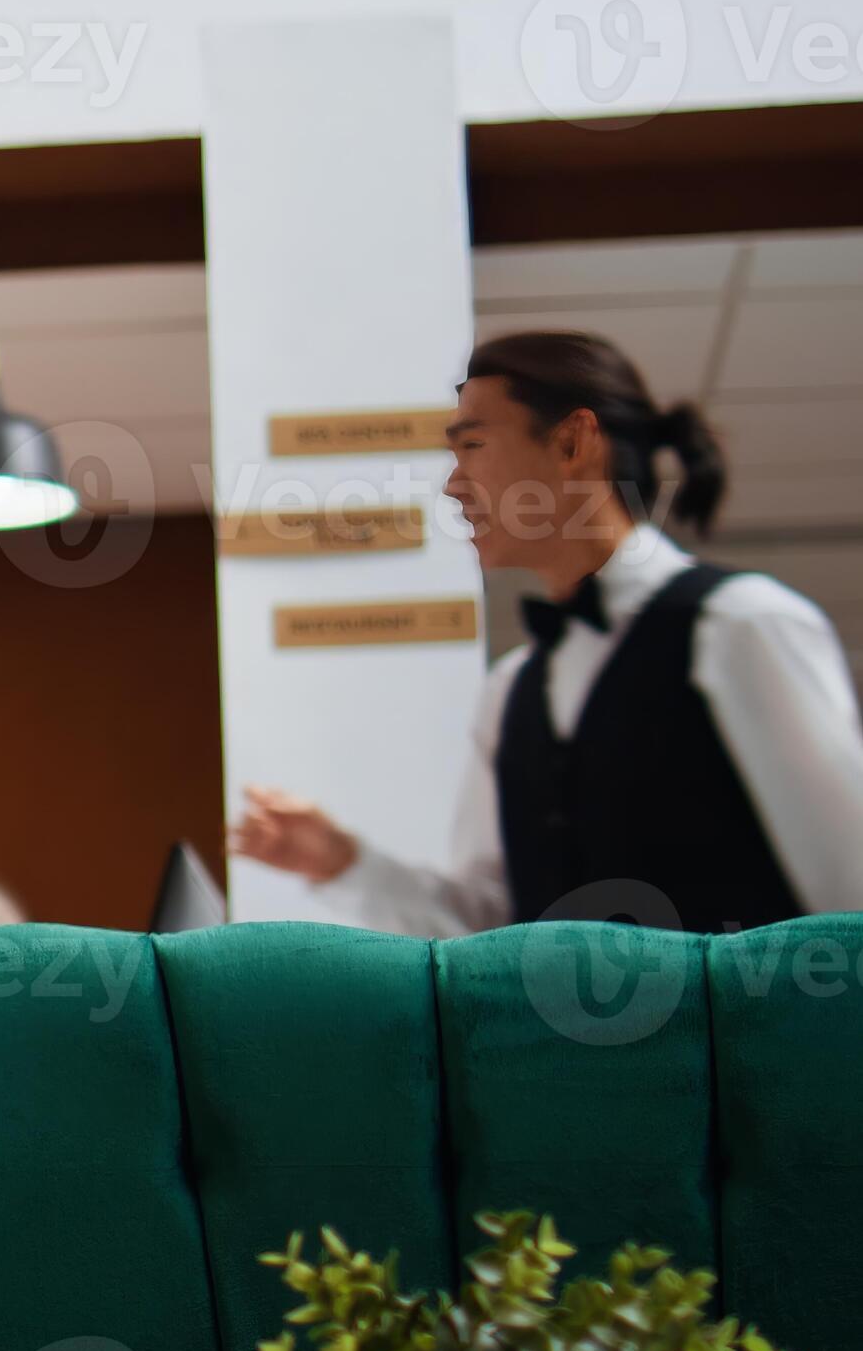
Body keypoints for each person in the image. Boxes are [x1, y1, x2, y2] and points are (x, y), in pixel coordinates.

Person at [233, 329, 863, 936]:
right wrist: (343, 864)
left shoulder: (742, 625)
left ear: (572, 443)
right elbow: (492, 935)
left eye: (472, 445)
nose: (452, 486)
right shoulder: (510, 690)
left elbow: (850, 893)